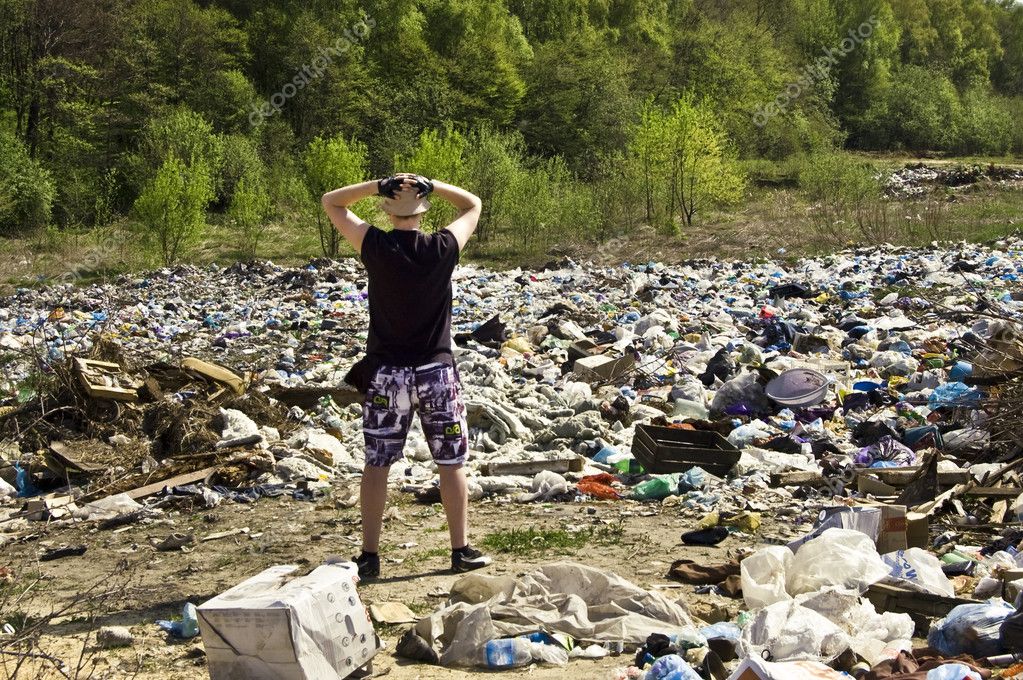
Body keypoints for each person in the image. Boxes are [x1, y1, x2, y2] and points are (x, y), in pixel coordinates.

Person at [321, 172, 492, 578]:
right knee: (451, 464)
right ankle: (459, 550)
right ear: (425, 210)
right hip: (436, 372)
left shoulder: (375, 245)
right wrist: (431, 182)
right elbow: (473, 204)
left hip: (387, 375)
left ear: (386, 209)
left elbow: (332, 200)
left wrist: (378, 183)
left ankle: (370, 557)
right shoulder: (442, 247)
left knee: (377, 464)